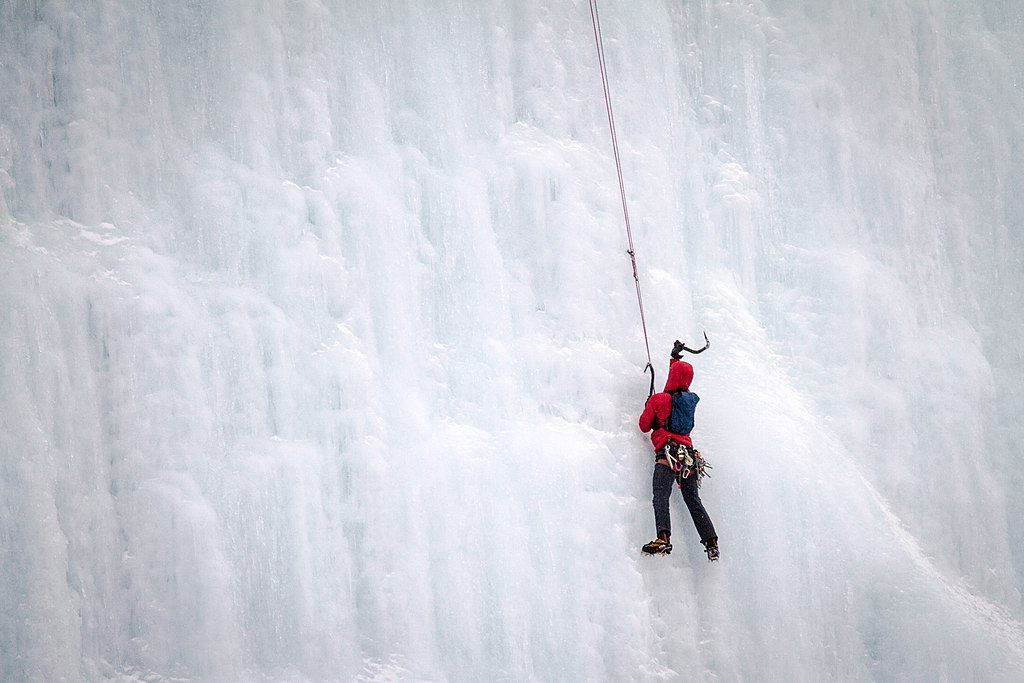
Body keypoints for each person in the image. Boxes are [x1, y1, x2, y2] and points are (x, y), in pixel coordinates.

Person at [638, 341, 719, 560]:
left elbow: (644, 426)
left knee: (661, 495)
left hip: (667, 454)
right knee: (693, 500)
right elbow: (679, 378)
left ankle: (663, 538)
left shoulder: (660, 400)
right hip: (688, 457)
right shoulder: (689, 401)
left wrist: (649, 406)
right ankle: (711, 543)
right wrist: (675, 357)